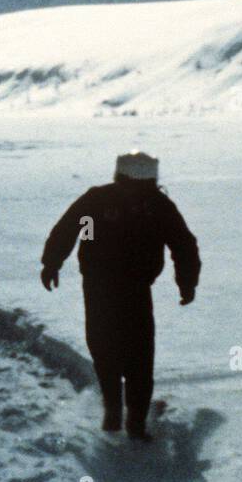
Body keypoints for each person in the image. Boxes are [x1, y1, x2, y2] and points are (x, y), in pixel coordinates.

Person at [40, 151, 201, 440]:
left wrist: (53, 262)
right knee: (139, 355)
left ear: (119, 173)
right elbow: (183, 245)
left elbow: (72, 229)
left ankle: (114, 409)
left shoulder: (97, 199)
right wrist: (186, 282)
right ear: (152, 176)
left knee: (104, 347)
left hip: (98, 287)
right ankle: (136, 421)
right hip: (136, 290)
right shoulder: (158, 205)